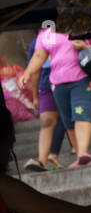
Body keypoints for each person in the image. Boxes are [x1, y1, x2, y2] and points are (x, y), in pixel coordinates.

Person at [21, 26, 91, 168]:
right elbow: (39, 56)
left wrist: (85, 46)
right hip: (58, 82)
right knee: (68, 121)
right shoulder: (45, 34)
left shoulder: (82, 25)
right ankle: (80, 156)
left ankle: (82, 152)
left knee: (80, 113)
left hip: (82, 79)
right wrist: (28, 72)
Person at [21, 36, 72, 172]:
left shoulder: (66, 37)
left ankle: (78, 154)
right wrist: (35, 96)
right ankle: (43, 160)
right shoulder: (35, 43)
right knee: (47, 121)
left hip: (68, 82)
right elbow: (35, 70)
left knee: (68, 118)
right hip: (46, 86)